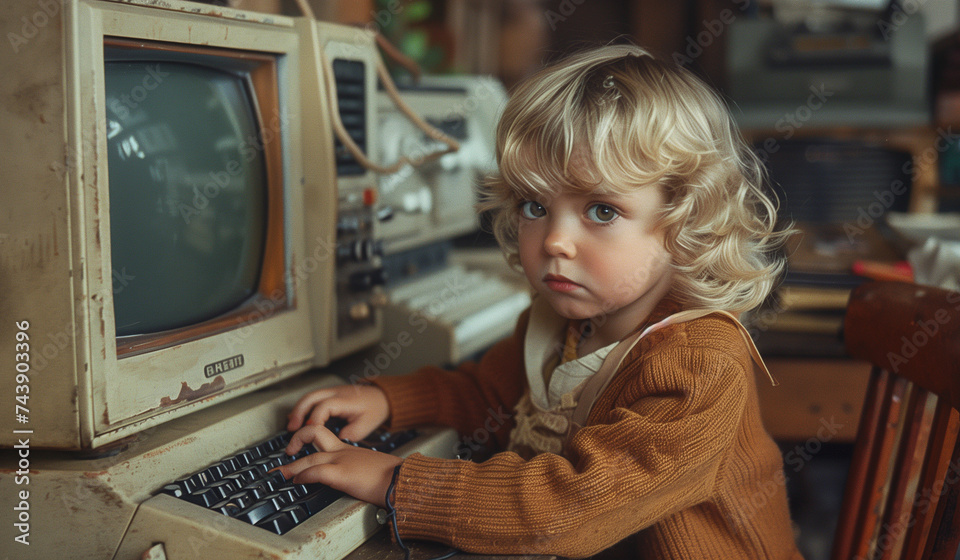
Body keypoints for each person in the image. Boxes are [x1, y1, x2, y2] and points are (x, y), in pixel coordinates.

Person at [275, 43, 803, 559]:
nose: (554, 241)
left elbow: (565, 511)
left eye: (601, 211)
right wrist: (393, 400)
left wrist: (396, 480)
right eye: (534, 205)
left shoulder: (701, 365)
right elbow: (494, 398)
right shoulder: (558, 319)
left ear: (686, 223)